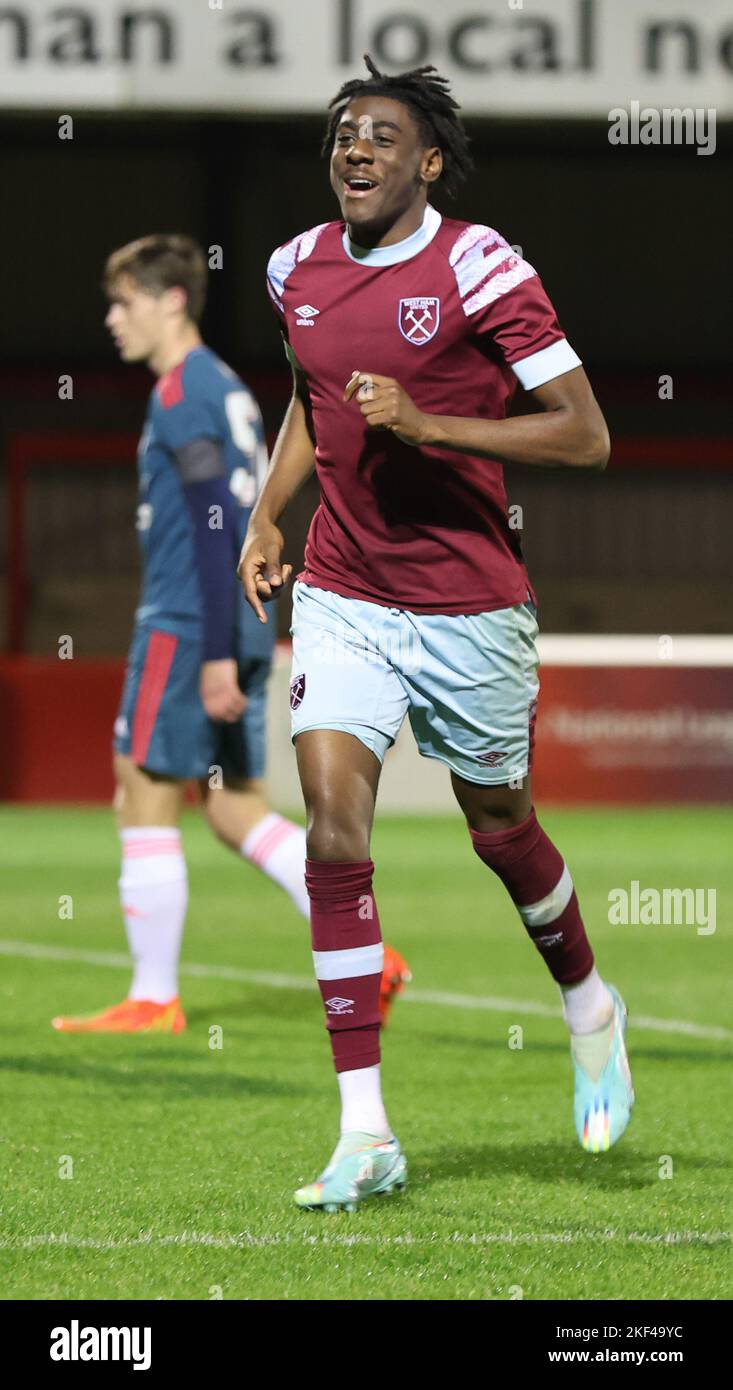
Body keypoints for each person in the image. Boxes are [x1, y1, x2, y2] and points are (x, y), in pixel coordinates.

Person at [238, 57, 634, 1212]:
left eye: (380, 137)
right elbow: (312, 402)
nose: (354, 151)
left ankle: (587, 1004)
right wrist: (268, 513)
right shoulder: (293, 268)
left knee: (499, 828)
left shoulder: (479, 264)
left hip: (470, 605)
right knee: (330, 827)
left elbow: (586, 435)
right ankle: (365, 1131)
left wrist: (431, 423)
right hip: (347, 593)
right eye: (341, 136)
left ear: (427, 163)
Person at [51, 231, 412, 1034]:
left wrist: (212, 650)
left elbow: (219, 521)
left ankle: (152, 997)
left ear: (172, 299)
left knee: (139, 788)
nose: (112, 319)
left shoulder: (184, 392)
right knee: (231, 807)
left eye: (125, 301)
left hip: (191, 624)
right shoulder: (228, 387)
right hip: (243, 619)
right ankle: (370, 955)